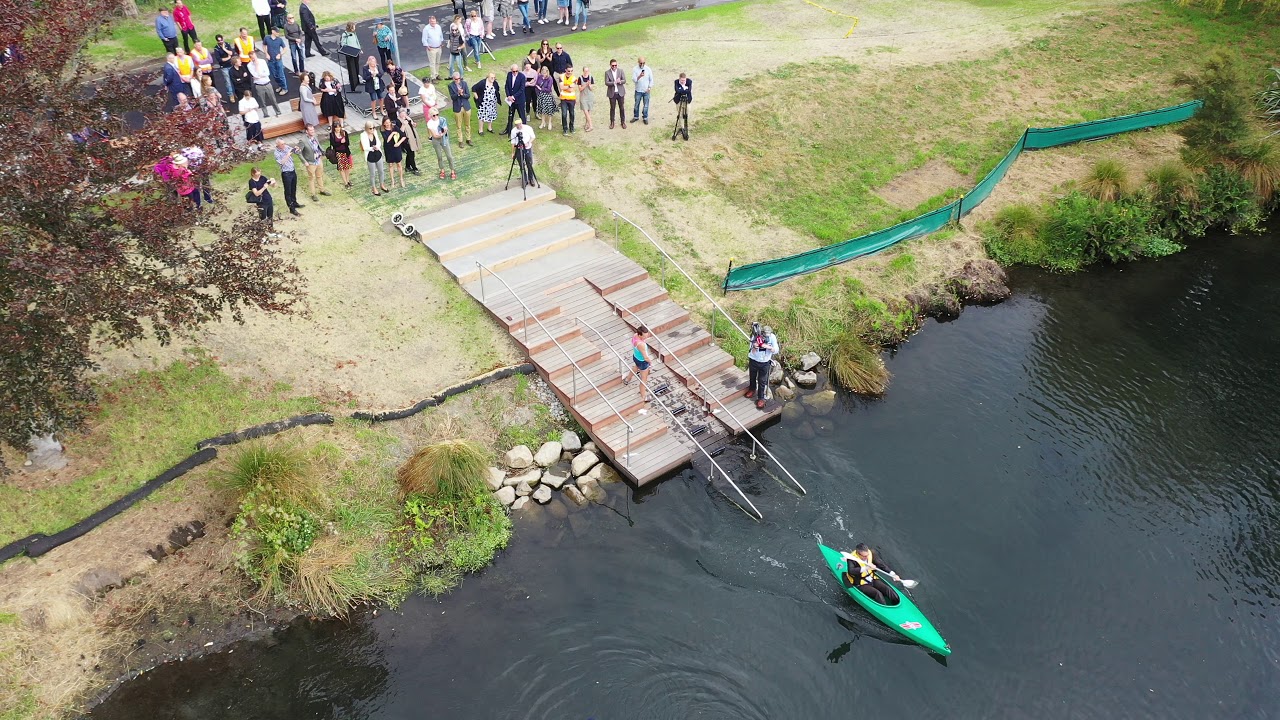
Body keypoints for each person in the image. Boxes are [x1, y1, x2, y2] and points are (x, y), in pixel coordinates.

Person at [744, 322, 777, 409]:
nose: (766, 337)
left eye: (767, 335)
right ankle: (752, 389)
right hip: (754, 360)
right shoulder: (755, 336)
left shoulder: (772, 337)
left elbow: (776, 350)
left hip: (765, 362)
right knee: (752, 376)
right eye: (764, 335)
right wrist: (755, 347)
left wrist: (768, 347)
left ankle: (761, 398)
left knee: (762, 380)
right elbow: (751, 350)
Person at [297, 124, 330, 201]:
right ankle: (313, 194)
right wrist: (304, 162)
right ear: (306, 131)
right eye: (311, 130)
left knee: (319, 176)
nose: (312, 131)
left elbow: (318, 146)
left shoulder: (315, 136)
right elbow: (298, 152)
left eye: (313, 130)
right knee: (311, 178)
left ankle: (322, 190)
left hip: (318, 160)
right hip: (310, 162)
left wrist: (323, 151)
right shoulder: (302, 140)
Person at [273, 138, 304, 215]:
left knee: (293, 188)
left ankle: (294, 202)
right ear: (278, 145)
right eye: (282, 144)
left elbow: (296, 152)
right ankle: (291, 208)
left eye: (284, 143)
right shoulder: (276, 153)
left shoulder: (287, 147)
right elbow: (281, 163)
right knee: (288, 191)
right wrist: (287, 155)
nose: (284, 145)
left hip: (292, 171)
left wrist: (297, 149)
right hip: (286, 173)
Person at [249, 51, 283, 116]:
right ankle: (266, 115)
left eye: (255, 56)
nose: (255, 59)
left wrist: (259, 75)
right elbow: (255, 75)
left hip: (267, 83)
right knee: (262, 102)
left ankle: (278, 112)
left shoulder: (262, 61)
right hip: (259, 85)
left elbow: (267, 73)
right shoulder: (249, 65)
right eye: (253, 58)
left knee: (273, 100)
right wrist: (256, 66)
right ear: (251, 58)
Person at [426, 108, 455, 180]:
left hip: (444, 139)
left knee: (449, 156)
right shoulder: (429, 123)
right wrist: (442, 133)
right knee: (439, 156)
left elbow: (445, 128)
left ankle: (452, 170)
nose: (436, 116)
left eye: (437, 115)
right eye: (433, 115)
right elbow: (435, 135)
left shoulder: (442, 119)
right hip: (436, 140)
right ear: (430, 115)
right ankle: (442, 170)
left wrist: (444, 132)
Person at [361, 120, 388, 195]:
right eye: (370, 128)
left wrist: (377, 146)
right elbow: (364, 147)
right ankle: (374, 188)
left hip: (377, 154)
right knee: (372, 173)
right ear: (366, 128)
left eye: (373, 128)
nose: (372, 129)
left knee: (381, 171)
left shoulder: (375, 132)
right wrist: (372, 148)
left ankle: (382, 184)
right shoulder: (363, 135)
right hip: (370, 156)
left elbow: (379, 142)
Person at [501, 63, 528, 135]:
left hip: (519, 100)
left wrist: (512, 97)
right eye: (514, 71)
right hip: (511, 101)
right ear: (511, 70)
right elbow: (507, 86)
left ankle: (524, 131)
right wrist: (508, 96)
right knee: (510, 115)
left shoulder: (522, 77)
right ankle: (508, 129)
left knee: (522, 116)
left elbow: (521, 89)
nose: (515, 72)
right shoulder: (509, 74)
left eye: (516, 71)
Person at [381, 117, 406, 188]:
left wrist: (399, 143)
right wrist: (392, 133)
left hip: (396, 147)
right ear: (383, 124)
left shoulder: (394, 127)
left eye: (389, 122)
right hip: (388, 148)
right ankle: (392, 180)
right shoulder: (382, 130)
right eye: (386, 123)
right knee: (390, 165)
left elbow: (403, 136)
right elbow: (387, 140)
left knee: (399, 164)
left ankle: (401, 179)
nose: (388, 124)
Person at [263, 27, 289, 95]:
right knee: (274, 75)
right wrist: (266, 53)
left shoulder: (279, 40)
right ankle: (280, 85)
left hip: (278, 60)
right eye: (277, 32)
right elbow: (264, 45)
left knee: (281, 74)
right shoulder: (267, 38)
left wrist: (280, 54)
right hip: (270, 60)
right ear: (273, 31)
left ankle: (285, 88)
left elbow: (285, 49)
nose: (278, 33)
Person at [449, 71, 473, 145]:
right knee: (458, 126)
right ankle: (460, 141)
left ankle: (468, 139)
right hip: (457, 108)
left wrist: (462, 94)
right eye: (456, 79)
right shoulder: (451, 86)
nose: (458, 80)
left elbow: (468, 95)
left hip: (466, 107)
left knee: (467, 124)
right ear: (453, 79)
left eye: (459, 78)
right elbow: (453, 97)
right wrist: (458, 94)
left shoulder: (464, 83)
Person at [396, 104, 421, 175]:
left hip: (412, 138)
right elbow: (400, 132)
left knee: (410, 154)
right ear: (399, 114)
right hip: (405, 141)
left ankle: (407, 166)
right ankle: (414, 168)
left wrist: (414, 124)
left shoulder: (408, 118)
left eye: (405, 114)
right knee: (411, 154)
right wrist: (403, 125)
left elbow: (412, 125)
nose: (404, 116)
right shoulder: (398, 121)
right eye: (402, 114)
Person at [509, 117, 534, 184]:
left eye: (519, 124)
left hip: (527, 147)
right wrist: (513, 153)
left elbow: (533, 137)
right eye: (517, 125)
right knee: (521, 165)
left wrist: (528, 143)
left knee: (529, 163)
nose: (518, 126)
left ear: (521, 123)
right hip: (519, 148)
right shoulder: (513, 131)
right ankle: (525, 179)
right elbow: (513, 142)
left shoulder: (528, 128)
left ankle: (531, 178)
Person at [473, 71, 499, 136]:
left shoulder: (495, 83)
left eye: (494, 78)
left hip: (492, 103)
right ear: (488, 77)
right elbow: (474, 88)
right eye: (491, 78)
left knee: (491, 115)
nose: (493, 79)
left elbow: (497, 90)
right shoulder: (482, 83)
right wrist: (477, 98)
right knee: (482, 116)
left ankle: (489, 128)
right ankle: (480, 130)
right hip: (483, 103)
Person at [631, 325, 653, 402]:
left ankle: (627, 379)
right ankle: (644, 396)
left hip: (636, 357)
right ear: (640, 335)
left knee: (636, 367)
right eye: (644, 336)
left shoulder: (635, 336)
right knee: (644, 379)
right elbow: (645, 357)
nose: (646, 338)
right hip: (642, 362)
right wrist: (650, 362)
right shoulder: (641, 345)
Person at [604, 58, 625, 129]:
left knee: (621, 108)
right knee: (612, 108)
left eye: (615, 65)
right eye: (613, 65)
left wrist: (619, 81)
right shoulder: (607, 72)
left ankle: (623, 122)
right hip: (612, 93)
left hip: (620, 92)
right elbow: (606, 82)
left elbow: (624, 80)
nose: (614, 67)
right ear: (610, 65)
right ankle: (612, 122)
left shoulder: (620, 71)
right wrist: (614, 82)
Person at [340, 22, 362, 92]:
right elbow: (343, 44)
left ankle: (357, 80)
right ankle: (353, 84)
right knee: (351, 68)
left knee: (357, 66)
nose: (355, 28)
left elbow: (357, 42)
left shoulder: (354, 33)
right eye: (353, 26)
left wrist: (359, 49)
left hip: (356, 53)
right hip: (350, 54)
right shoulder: (345, 34)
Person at [330, 123, 353, 187]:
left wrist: (345, 141)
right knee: (341, 168)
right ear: (334, 128)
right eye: (336, 127)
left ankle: (348, 180)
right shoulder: (332, 135)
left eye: (339, 127)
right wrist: (340, 142)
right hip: (338, 153)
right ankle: (345, 183)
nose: (337, 129)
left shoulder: (344, 133)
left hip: (346, 152)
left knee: (347, 167)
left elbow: (348, 143)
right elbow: (333, 145)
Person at [532, 65, 555, 130]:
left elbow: (548, 88)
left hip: (547, 96)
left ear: (547, 72)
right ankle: (543, 122)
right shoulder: (539, 77)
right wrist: (538, 91)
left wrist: (541, 88)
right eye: (543, 73)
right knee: (542, 110)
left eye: (545, 73)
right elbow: (536, 84)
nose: (544, 74)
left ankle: (549, 123)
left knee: (549, 110)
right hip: (540, 95)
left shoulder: (550, 78)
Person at [632, 56, 653, 125]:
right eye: (641, 63)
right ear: (638, 62)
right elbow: (634, 80)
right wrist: (640, 76)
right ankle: (636, 116)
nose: (642, 64)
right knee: (636, 104)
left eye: (643, 63)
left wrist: (649, 88)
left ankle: (645, 117)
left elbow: (651, 80)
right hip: (638, 90)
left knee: (646, 105)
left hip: (646, 91)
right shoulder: (635, 69)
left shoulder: (648, 69)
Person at [421, 16, 443, 81]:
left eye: (434, 21)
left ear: (436, 21)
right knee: (432, 63)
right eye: (431, 21)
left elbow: (441, 36)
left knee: (438, 62)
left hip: (439, 48)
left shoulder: (438, 27)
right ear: (429, 21)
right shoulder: (426, 29)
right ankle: (433, 77)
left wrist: (441, 43)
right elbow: (424, 39)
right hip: (431, 48)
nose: (433, 23)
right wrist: (427, 46)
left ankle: (436, 74)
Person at [672, 72, 692, 141]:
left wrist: (681, 90)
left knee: (686, 114)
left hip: (687, 101)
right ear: (679, 79)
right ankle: (682, 128)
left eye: (684, 80)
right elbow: (677, 90)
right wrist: (684, 90)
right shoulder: (676, 82)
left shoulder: (689, 81)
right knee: (680, 115)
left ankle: (686, 128)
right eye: (681, 80)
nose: (683, 82)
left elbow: (689, 90)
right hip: (679, 101)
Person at [558, 64, 577, 135]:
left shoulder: (574, 78)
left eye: (571, 71)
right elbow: (561, 87)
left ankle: (571, 127)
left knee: (572, 113)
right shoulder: (561, 76)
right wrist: (568, 86)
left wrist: (565, 87)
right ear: (565, 70)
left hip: (572, 98)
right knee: (564, 114)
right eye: (568, 71)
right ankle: (565, 129)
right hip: (563, 98)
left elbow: (572, 89)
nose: (570, 72)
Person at [576, 65, 594, 131]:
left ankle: (586, 123)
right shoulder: (580, 78)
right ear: (583, 71)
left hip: (589, 96)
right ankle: (591, 125)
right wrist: (586, 84)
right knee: (585, 111)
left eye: (587, 71)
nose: (586, 72)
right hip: (583, 97)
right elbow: (580, 89)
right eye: (585, 71)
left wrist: (589, 85)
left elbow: (592, 89)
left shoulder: (591, 78)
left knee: (588, 112)